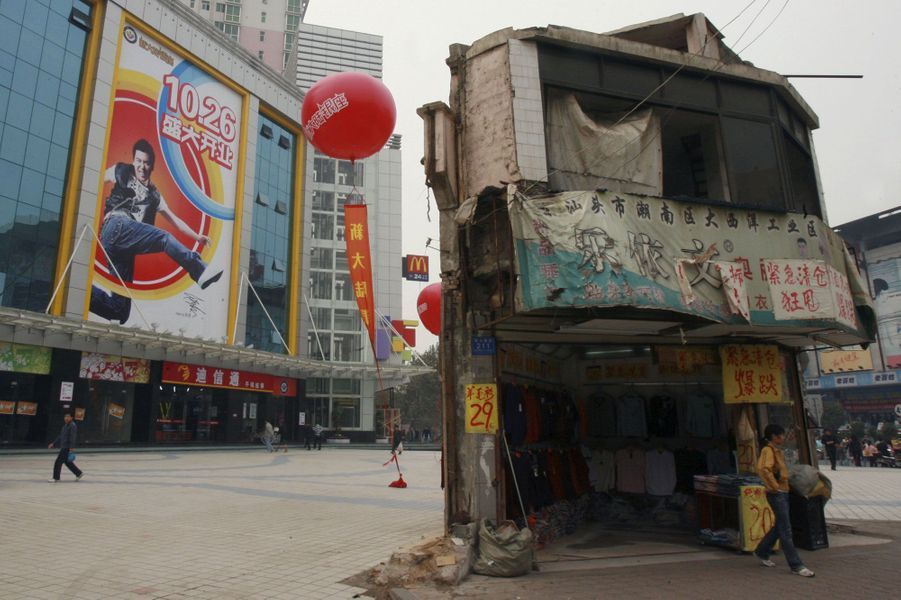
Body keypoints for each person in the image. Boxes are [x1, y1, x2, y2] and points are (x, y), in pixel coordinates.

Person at [89, 139, 223, 324]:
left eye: (146, 163)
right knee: (163, 238)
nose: (141, 167)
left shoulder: (154, 195)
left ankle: (83, 289)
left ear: (151, 166)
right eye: (138, 161)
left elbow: (175, 220)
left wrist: (197, 237)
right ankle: (199, 270)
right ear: (133, 160)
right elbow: (96, 178)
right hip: (116, 225)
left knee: (120, 310)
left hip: (124, 245)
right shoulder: (121, 170)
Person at [753, 423, 815, 577]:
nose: (783, 437)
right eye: (781, 435)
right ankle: (796, 565)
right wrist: (774, 486)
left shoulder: (776, 450)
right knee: (785, 529)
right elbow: (763, 469)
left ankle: (762, 551)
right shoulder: (768, 450)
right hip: (777, 493)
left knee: (780, 526)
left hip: (782, 491)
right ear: (774, 436)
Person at [47, 413, 83, 483]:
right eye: (65, 417)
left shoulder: (72, 426)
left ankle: (56, 478)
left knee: (58, 462)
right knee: (67, 462)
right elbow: (61, 436)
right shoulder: (65, 426)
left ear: (71, 418)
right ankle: (79, 473)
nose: (66, 418)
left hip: (67, 447)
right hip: (64, 446)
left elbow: (73, 437)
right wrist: (53, 443)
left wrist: (71, 447)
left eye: (68, 417)